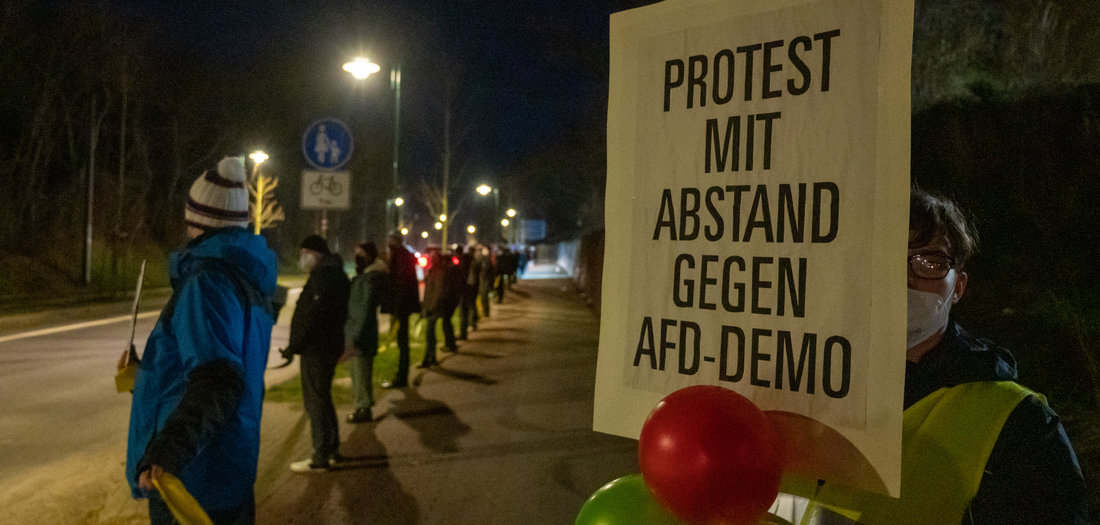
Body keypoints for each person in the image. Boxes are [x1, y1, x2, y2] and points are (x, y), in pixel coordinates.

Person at [799, 188, 1088, 524]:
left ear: (958, 288)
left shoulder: (1021, 425)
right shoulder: (790, 384)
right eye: (882, 256)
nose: (904, 278)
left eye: (930, 262)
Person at [126, 157, 277, 524]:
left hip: (193, 480)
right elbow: (215, 368)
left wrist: (168, 453)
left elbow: (218, 378)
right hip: (227, 470)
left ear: (199, 220)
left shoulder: (206, 282)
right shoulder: (245, 279)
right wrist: (147, 374)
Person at [286, 234, 350, 472]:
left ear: (316, 254)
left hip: (318, 349)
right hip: (326, 346)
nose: (302, 258)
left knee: (316, 402)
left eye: (305, 253)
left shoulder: (324, 278)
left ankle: (320, 455)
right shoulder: (331, 275)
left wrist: (296, 345)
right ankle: (331, 449)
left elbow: (313, 317)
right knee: (322, 399)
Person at [344, 241, 387, 423]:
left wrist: (354, 338)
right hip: (360, 332)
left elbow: (363, 310)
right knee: (359, 372)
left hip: (361, 335)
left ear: (369, 256)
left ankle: (363, 408)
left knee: (360, 373)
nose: (357, 258)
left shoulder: (370, 279)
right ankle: (362, 406)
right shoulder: (367, 277)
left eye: (360, 254)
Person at [380, 232, 421, 389]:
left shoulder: (400, 257)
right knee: (402, 341)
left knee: (402, 342)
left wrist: (396, 306)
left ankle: (401, 377)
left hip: (401, 307)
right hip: (402, 306)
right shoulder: (403, 256)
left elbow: (400, 284)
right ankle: (401, 376)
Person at [419, 249, 459, 367]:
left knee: (430, 333)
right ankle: (430, 357)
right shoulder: (433, 271)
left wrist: (430, 307)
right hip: (432, 306)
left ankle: (430, 357)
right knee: (430, 333)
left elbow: (438, 291)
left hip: (434, 307)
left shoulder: (439, 272)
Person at [457, 244, 479, 338]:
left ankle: (464, 332)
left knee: (464, 311)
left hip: (466, 289)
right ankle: (472, 324)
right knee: (470, 307)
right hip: (471, 288)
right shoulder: (473, 261)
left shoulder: (465, 261)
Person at [475, 244, 496, 318]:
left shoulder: (486, 260)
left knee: (484, 297)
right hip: (483, 282)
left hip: (485, 282)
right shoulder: (483, 260)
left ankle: (485, 312)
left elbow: (487, 272)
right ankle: (484, 312)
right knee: (482, 298)